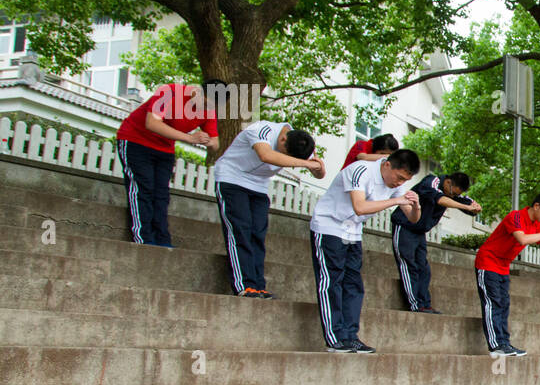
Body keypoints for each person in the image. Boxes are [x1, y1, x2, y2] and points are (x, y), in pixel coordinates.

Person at [309, 149, 421, 353]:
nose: (399, 183)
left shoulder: (396, 183)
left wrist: (416, 206)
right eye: (399, 177)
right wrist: (396, 200)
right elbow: (360, 206)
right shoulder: (361, 171)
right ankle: (334, 337)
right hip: (329, 226)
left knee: (354, 285)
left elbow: (412, 219)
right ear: (387, 165)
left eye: (405, 180)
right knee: (331, 282)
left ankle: (350, 336)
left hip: (353, 232)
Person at [213, 120, 325, 298]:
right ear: (282, 139)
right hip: (232, 178)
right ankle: (244, 284)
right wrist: (305, 164)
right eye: (286, 155)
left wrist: (317, 167)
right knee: (240, 230)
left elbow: (319, 174)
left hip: (259, 186)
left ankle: (258, 285)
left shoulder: (302, 144)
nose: (288, 161)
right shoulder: (262, 129)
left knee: (257, 234)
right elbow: (265, 155)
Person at [115, 81, 220, 246]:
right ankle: (143, 240)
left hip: (164, 149)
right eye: (204, 103)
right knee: (143, 188)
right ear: (198, 92)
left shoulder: (209, 110)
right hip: (135, 140)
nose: (204, 109)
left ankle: (162, 240)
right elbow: (152, 122)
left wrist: (208, 141)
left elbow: (215, 142)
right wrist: (190, 138)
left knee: (161, 195)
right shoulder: (169, 92)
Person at [473, 192, 540, 357]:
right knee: (493, 303)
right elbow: (522, 239)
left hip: (503, 267)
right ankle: (495, 345)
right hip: (488, 262)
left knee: (504, 304)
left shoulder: (537, 225)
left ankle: (504, 343)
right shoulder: (516, 216)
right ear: (536, 206)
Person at [391, 171, 482, 313]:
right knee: (409, 264)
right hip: (405, 225)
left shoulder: (452, 193)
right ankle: (415, 305)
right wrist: (465, 206)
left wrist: (475, 208)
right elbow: (440, 199)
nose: (453, 197)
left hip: (420, 231)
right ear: (448, 182)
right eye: (452, 193)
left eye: (455, 195)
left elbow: (466, 202)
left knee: (424, 268)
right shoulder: (431, 182)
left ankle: (424, 304)